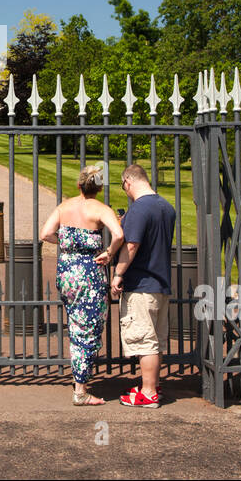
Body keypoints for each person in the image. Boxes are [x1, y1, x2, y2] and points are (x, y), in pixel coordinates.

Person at [40, 164, 123, 405]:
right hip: (89, 274)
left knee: (76, 325)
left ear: (79, 185)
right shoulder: (100, 208)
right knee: (87, 329)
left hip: (67, 273)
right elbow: (118, 234)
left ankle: (80, 378)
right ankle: (80, 390)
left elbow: (45, 233)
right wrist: (107, 253)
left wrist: (67, 244)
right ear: (99, 187)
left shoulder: (64, 207)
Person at [110, 163, 177, 407]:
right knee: (156, 340)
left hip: (141, 283)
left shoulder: (139, 209)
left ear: (128, 182)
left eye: (123, 186)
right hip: (160, 282)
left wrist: (118, 274)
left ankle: (147, 394)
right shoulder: (166, 207)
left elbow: (132, 245)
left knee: (144, 341)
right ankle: (152, 387)